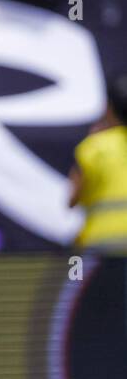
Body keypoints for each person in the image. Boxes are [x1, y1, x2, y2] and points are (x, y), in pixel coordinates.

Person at [69, 73, 127, 252]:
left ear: (109, 107)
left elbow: (72, 200)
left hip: (101, 244)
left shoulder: (94, 146)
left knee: (73, 274)